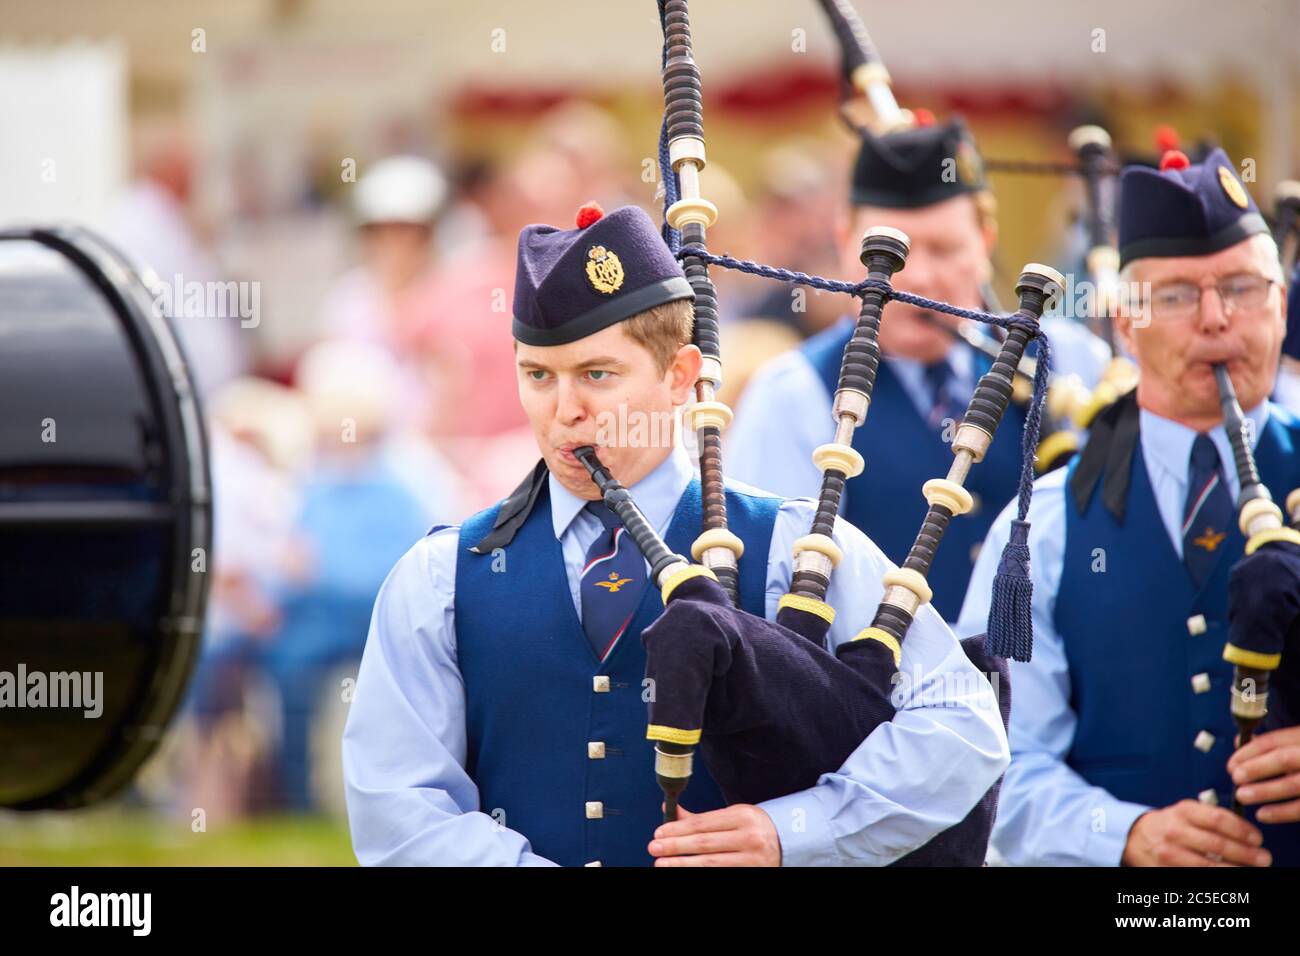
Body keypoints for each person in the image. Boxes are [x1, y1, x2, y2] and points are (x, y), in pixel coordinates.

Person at [341, 201, 1008, 866]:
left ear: (681, 375)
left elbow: (962, 725)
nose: (565, 411)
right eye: (537, 375)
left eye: (597, 375)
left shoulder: (792, 545)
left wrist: (796, 831)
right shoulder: (441, 577)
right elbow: (399, 806)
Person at [958, 148, 1300, 866]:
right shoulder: (1040, 528)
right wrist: (1123, 836)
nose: (1216, 319)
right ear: (1123, 322)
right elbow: (986, 765)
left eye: (1242, 287)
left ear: (1280, 303)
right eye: (1175, 294)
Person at [728, 117, 1106, 620]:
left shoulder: (1067, 362)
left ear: (986, 239)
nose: (921, 277)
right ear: (845, 242)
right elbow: (771, 609)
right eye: (891, 254)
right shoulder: (791, 397)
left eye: (945, 248)